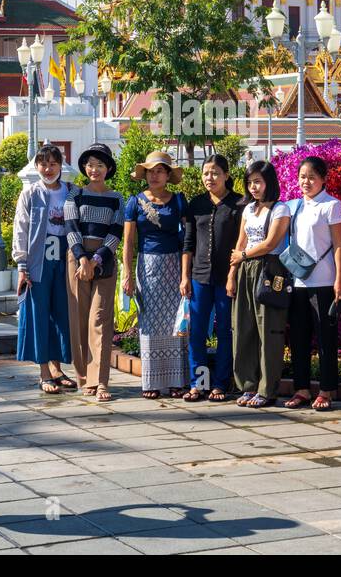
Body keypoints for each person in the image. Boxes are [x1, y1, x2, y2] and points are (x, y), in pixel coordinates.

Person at [122, 150, 189, 399]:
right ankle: (151, 380)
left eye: (160, 170)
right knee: (149, 322)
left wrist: (185, 274)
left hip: (174, 267)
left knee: (175, 322)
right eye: (151, 171)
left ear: (168, 175)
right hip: (147, 266)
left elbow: (187, 241)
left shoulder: (179, 201)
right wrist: (127, 274)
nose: (154, 175)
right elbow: (128, 243)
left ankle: (175, 380)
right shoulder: (135, 202)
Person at [284, 155, 341, 410]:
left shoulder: (331, 206)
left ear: (323, 179)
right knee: (298, 338)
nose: (306, 181)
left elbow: (339, 245)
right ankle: (301, 389)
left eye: (312, 177)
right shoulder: (293, 206)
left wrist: (339, 279)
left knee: (325, 339)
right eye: (302, 177)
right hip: (298, 282)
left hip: (324, 281)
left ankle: (326, 389)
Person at [12, 144, 76, 394]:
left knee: (61, 314)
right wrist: (22, 265)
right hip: (38, 263)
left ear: (61, 166)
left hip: (65, 259)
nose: (48, 169)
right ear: (36, 166)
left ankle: (58, 368)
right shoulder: (30, 193)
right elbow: (21, 229)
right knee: (39, 314)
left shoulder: (71, 192)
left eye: (53, 164)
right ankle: (43, 373)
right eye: (43, 164)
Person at [226, 160, 290, 408]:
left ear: (269, 182)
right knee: (243, 328)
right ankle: (248, 385)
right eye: (250, 182)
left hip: (269, 270)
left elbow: (271, 243)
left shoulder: (280, 209)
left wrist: (242, 256)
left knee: (269, 330)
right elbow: (240, 243)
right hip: (245, 269)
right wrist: (232, 274)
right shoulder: (248, 209)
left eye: (258, 182)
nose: (254, 187)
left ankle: (267, 388)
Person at [181, 154, 244, 402]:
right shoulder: (196, 204)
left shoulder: (239, 204)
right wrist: (185, 277)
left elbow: (241, 243)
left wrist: (233, 275)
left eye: (216, 173)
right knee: (197, 332)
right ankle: (199, 383)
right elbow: (188, 243)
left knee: (226, 331)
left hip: (226, 279)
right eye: (206, 173)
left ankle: (220, 383)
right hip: (199, 277)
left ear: (227, 175)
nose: (210, 177)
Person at [65, 143, 123, 402]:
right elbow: (70, 227)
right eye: (90, 164)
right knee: (79, 317)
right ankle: (83, 377)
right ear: (84, 168)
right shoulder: (74, 195)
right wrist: (82, 258)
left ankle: (101, 381)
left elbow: (116, 231)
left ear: (108, 168)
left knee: (100, 318)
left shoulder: (116, 198)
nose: (94, 169)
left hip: (104, 258)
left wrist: (96, 259)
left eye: (100, 165)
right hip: (77, 258)